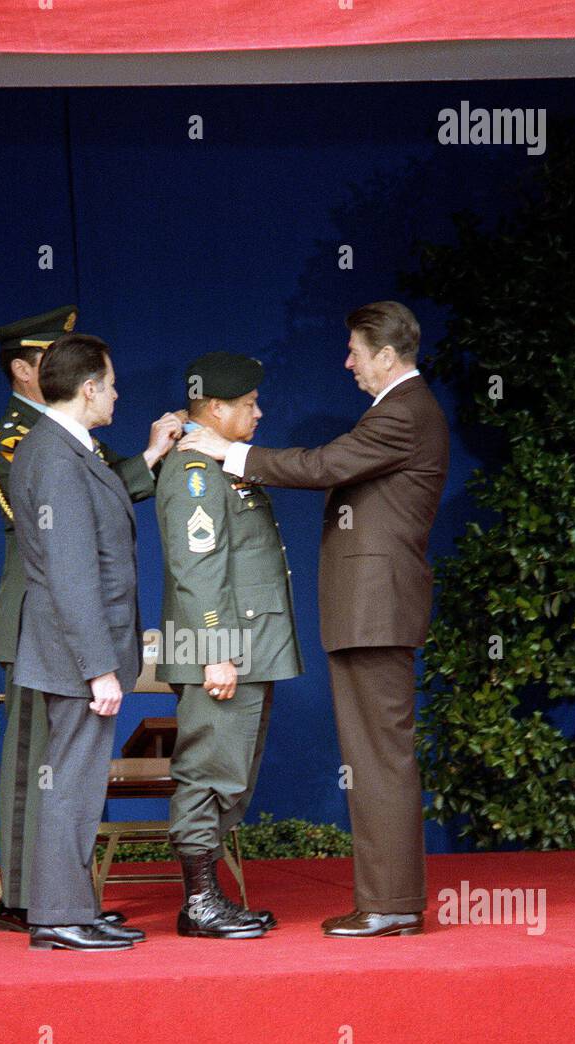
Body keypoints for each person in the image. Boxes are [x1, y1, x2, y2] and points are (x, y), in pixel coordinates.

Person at [181, 302, 449, 939]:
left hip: (375, 610)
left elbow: (326, 465)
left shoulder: (404, 412)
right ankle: (390, 901)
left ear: (387, 355)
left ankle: (391, 904)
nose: (347, 361)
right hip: (371, 609)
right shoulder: (403, 410)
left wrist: (229, 451)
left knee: (378, 757)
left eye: (356, 351)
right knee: (376, 754)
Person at [0, 307, 181, 938]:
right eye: (113, 383)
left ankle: (66, 910)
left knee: (72, 781)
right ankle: (62, 917)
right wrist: (99, 666)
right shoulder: (55, 454)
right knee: (70, 783)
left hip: (71, 651)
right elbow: (69, 574)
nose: (119, 394)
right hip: (75, 656)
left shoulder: (66, 448)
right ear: (89, 388)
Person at [156, 352, 303, 938]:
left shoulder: (217, 462)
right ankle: (199, 905)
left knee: (231, 774)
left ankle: (208, 898)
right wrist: (215, 648)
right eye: (247, 404)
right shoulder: (194, 470)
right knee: (208, 771)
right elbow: (196, 566)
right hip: (223, 644)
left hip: (247, 643)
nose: (259, 412)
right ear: (215, 409)